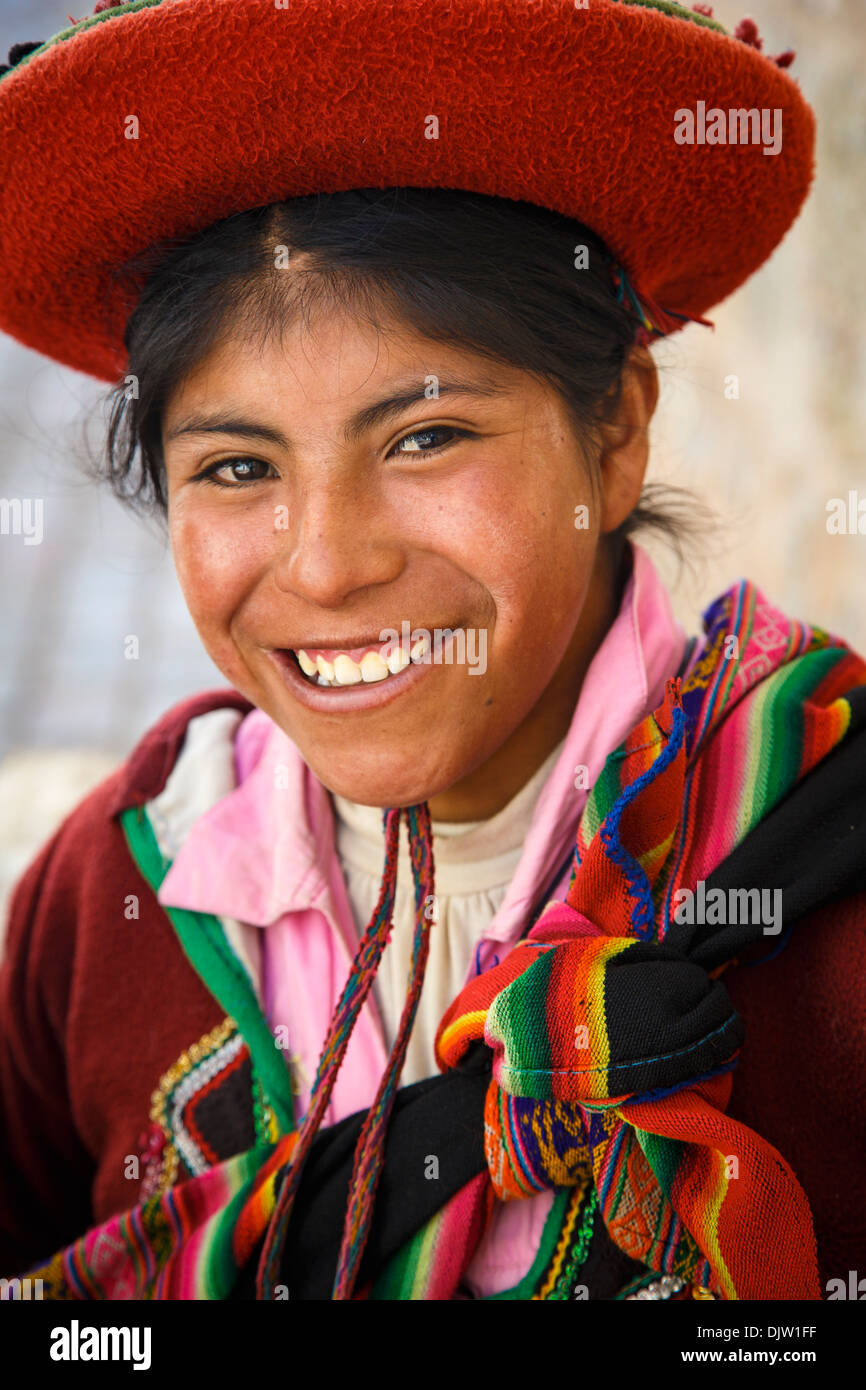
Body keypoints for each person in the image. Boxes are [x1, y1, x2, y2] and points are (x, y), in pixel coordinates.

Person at [0, 0, 863, 1302]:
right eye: (237, 466)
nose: (327, 563)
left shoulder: (828, 848)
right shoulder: (113, 891)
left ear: (614, 434)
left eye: (424, 438)